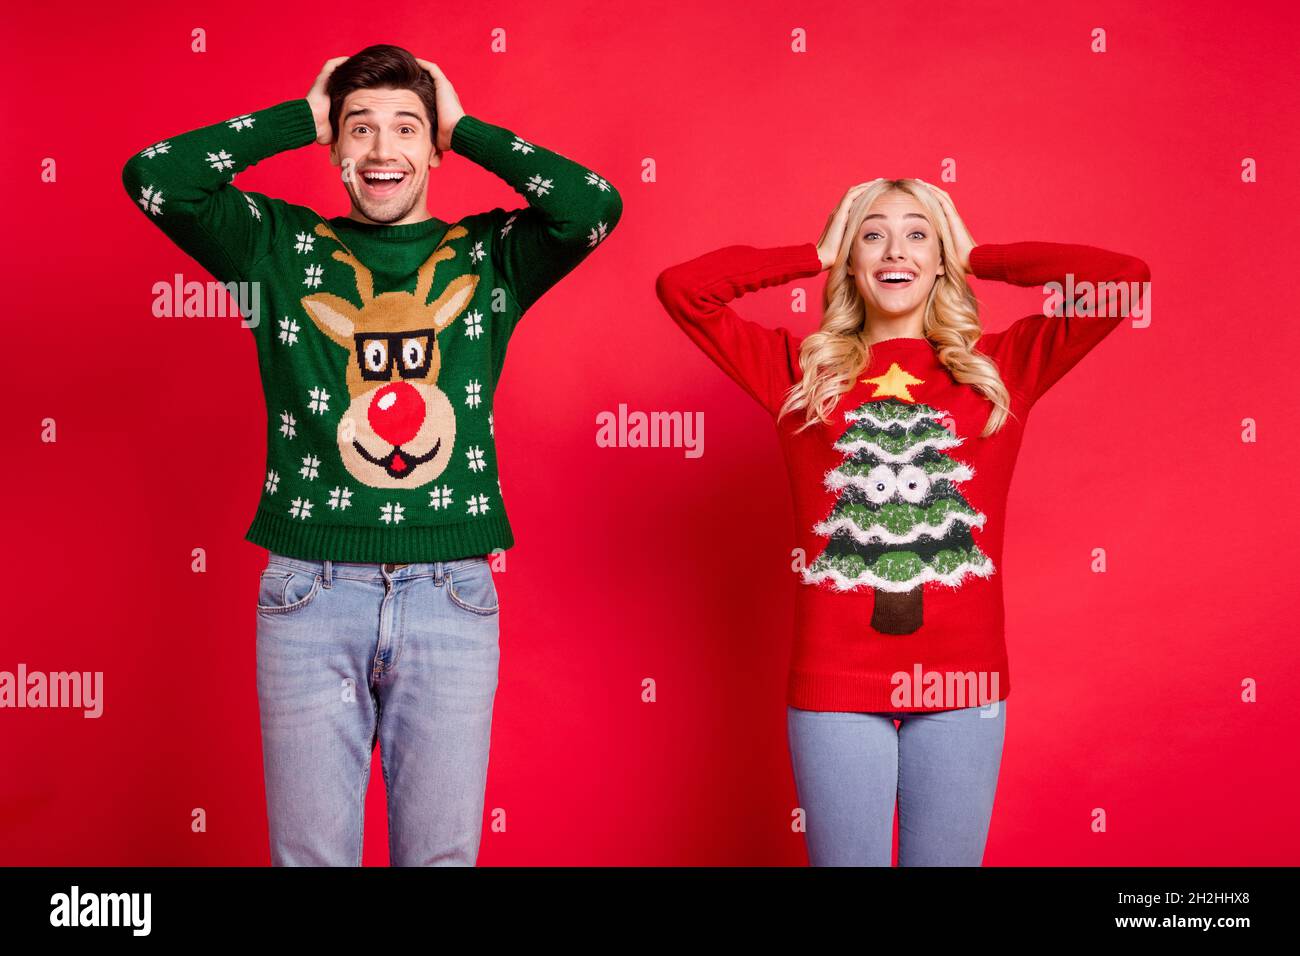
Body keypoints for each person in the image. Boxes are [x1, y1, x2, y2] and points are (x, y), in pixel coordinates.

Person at [122, 45, 622, 865]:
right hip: (309, 595)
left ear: (434, 148)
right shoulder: (276, 248)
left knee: (440, 859)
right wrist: (302, 116)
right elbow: (157, 177)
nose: (383, 149)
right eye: (360, 128)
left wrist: (466, 127)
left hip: (451, 595)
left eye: (406, 129)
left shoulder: (487, 257)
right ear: (335, 147)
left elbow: (590, 205)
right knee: (310, 858)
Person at [654, 178, 1148, 865]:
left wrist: (982, 255)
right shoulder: (800, 372)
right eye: (872, 234)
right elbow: (682, 290)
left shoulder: (999, 369)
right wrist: (811, 252)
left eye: (918, 234)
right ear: (850, 260)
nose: (896, 250)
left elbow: (1124, 281)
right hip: (835, 687)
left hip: (964, 686)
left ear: (940, 260)